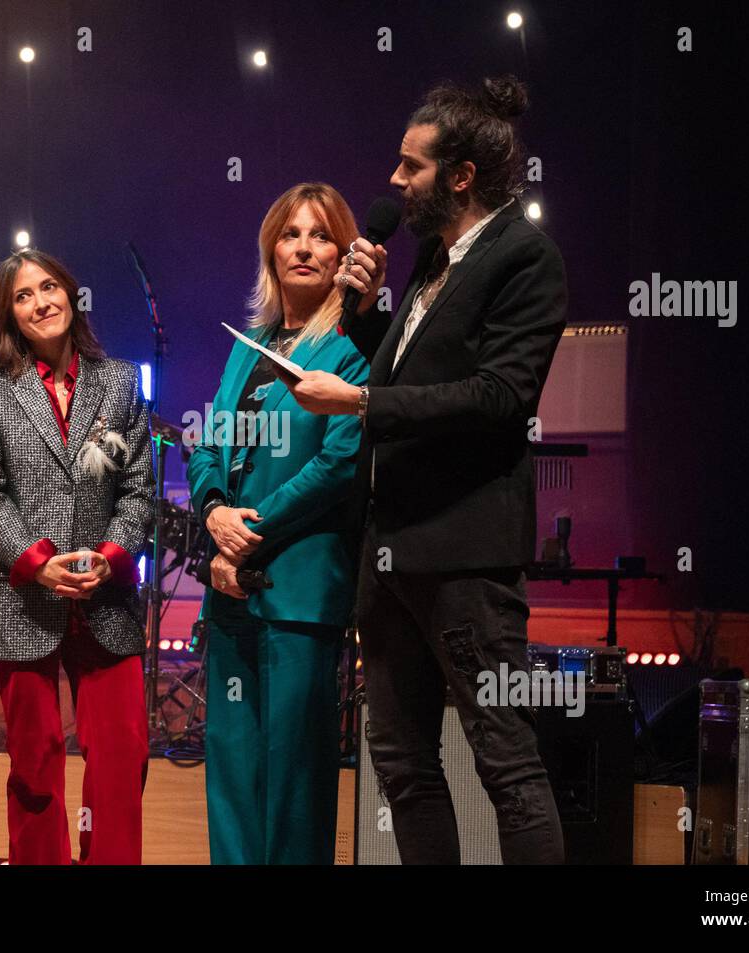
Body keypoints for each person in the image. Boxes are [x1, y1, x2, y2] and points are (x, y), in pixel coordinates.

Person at [288, 76, 568, 864]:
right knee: (404, 768)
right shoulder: (430, 260)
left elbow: (499, 397)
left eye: (410, 167)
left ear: (461, 175)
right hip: (391, 553)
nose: (394, 181)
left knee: (507, 765)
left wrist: (361, 401)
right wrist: (374, 314)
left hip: (464, 557)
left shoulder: (524, 257)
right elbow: (419, 377)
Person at [188, 183, 369, 864]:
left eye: (320, 235)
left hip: (296, 595)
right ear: (272, 250)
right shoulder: (250, 346)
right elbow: (208, 443)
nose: (303, 247)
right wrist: (212, 513)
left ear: (343, 254)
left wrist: (248, 530)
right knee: (232, 780)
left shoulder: (352, 351)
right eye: (290, 234)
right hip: (231, 590)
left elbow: (339, 465)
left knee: (294, 784)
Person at [0, 249, 154, 865]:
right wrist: (36, 560)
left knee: (122, 759)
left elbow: (139, 489)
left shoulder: (119, 381)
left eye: (50, 287)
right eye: (23, 296)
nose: (41, 302)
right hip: (19, 599)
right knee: (36, 761)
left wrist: (110, 556)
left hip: (107, 598)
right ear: (9, 315)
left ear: (72, 294)